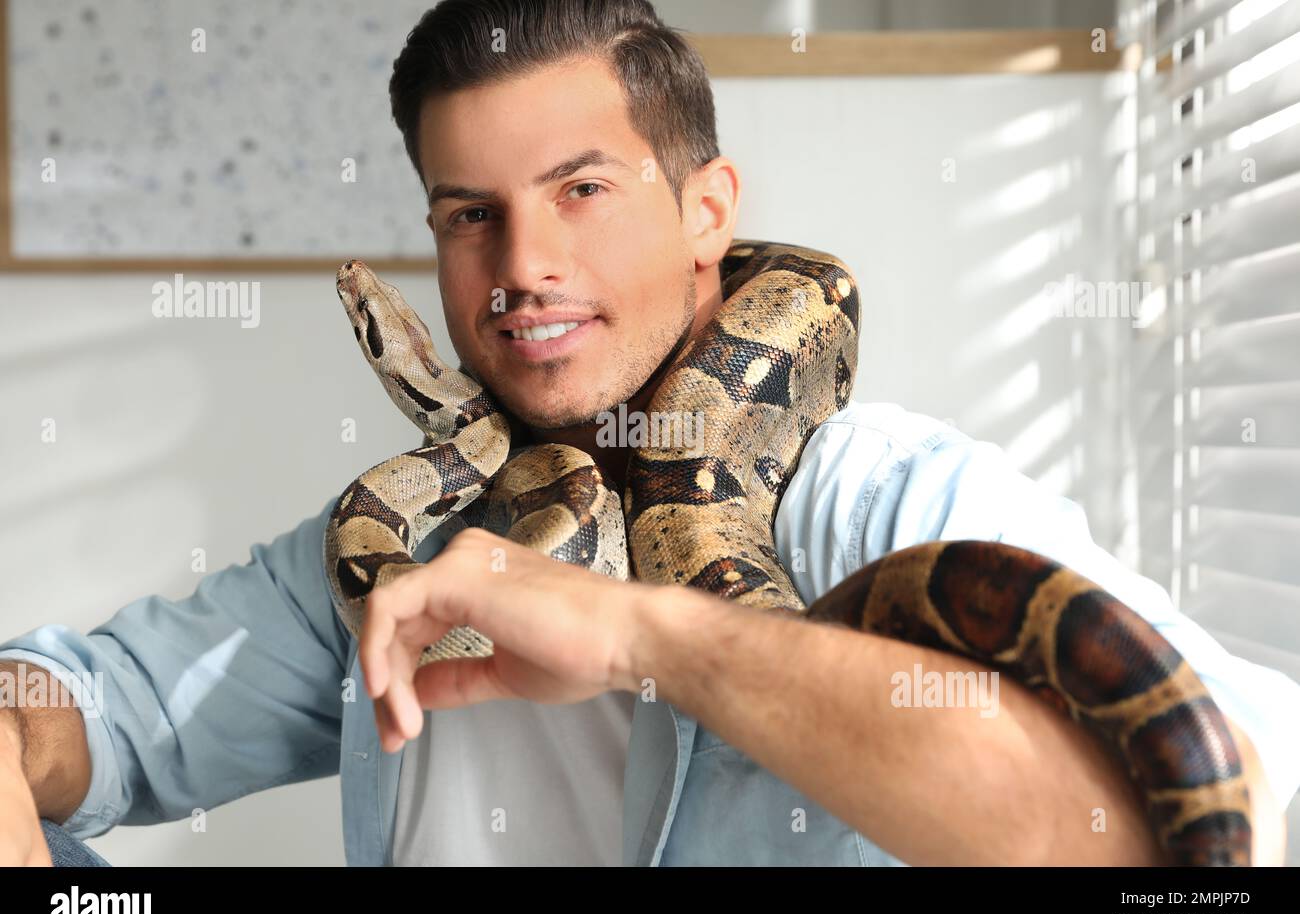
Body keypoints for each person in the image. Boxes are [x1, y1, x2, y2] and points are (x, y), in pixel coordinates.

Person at [2, 0, 1296, 868]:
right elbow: (107, 714)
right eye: (470, 215)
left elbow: (1199, 815)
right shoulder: (399, 545)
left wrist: (640, 637)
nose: (523, 267)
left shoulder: (882, 505)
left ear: (706, 213)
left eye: (581, 190)